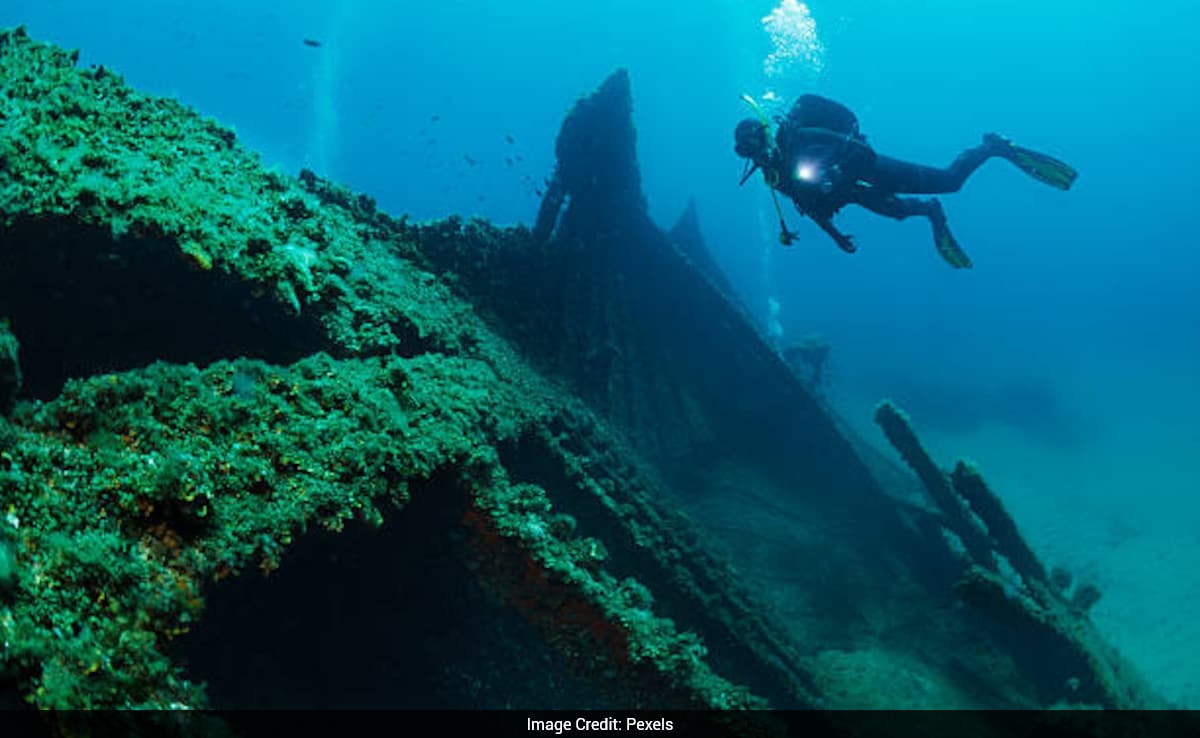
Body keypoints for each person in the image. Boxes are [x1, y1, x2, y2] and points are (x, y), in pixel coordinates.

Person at [734, 94, 1078, 268]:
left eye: (756, 144)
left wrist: (836, 171)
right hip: (853, 193)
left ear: (765, 135)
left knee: (951, 180)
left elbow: (858, 151)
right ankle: (931, 212)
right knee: (900, 212)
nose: (756, 154)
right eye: (745, 152)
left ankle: (993, 147)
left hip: (872, 171)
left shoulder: (803, 136)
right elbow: (809, 205)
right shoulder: (773, 177)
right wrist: (836, 234)